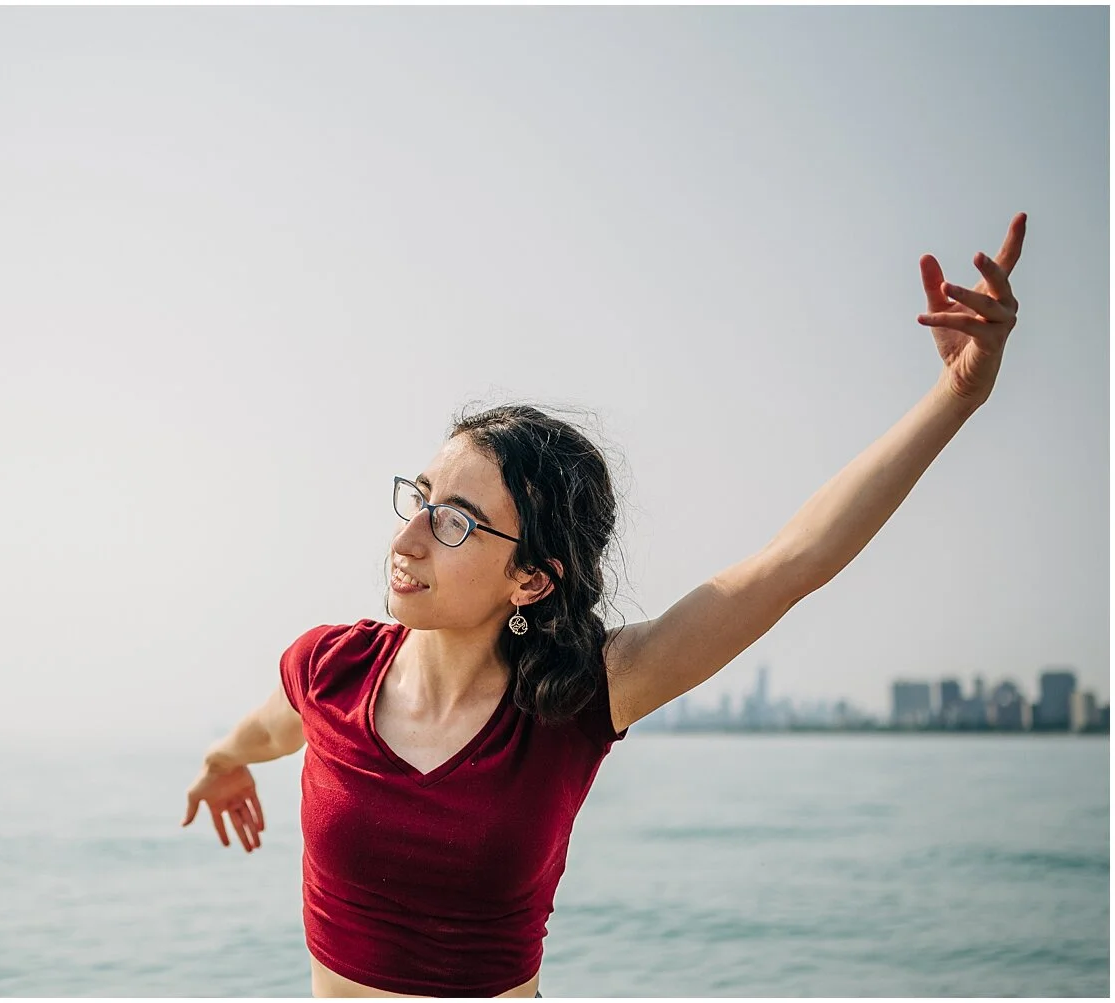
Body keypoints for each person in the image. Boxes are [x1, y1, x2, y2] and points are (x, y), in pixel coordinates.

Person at [182, 214, 1028, 998]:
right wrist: (223, 760)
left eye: (453, 522)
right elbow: (265, 731)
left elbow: (789, 564)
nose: (407, 538)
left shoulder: (579, 698)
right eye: (420, 497)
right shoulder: (331, 666)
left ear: (533, 579)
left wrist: (955, 398)